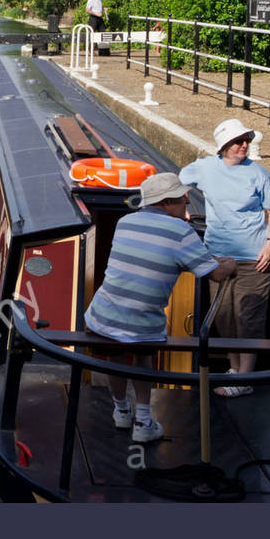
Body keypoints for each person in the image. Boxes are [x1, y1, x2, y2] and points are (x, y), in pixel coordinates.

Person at [84, 173, 236, 442]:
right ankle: (143, 422)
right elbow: (216, 274)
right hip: (143, 324)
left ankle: (121, 412)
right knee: (143, 357)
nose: (187, 207)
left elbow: (156, 251)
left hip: (102, 316)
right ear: (166, 202)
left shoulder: (125, 222)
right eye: (183, 201)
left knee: (115, 358)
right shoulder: (181, 232)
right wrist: (229, 264)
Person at [179, 118, 270, 396]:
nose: (244, 145)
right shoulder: (204, 168)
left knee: (248, 316)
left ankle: (244, 379)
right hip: (218, 256)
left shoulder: (259, 174)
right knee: (223, 315)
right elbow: (178, 182)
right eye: (238, 141)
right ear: (224, 146)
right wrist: (184, 207)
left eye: (246, 140)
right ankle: (234, 369)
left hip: (254, 257)